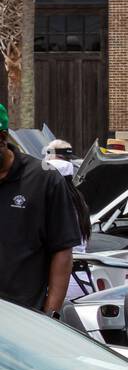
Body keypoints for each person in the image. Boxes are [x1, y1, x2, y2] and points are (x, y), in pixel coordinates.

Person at [0, 102, 83, 314]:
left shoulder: (44, 179)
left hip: (24, 318)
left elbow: (62, 250)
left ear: (2, 138)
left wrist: (50, 315)